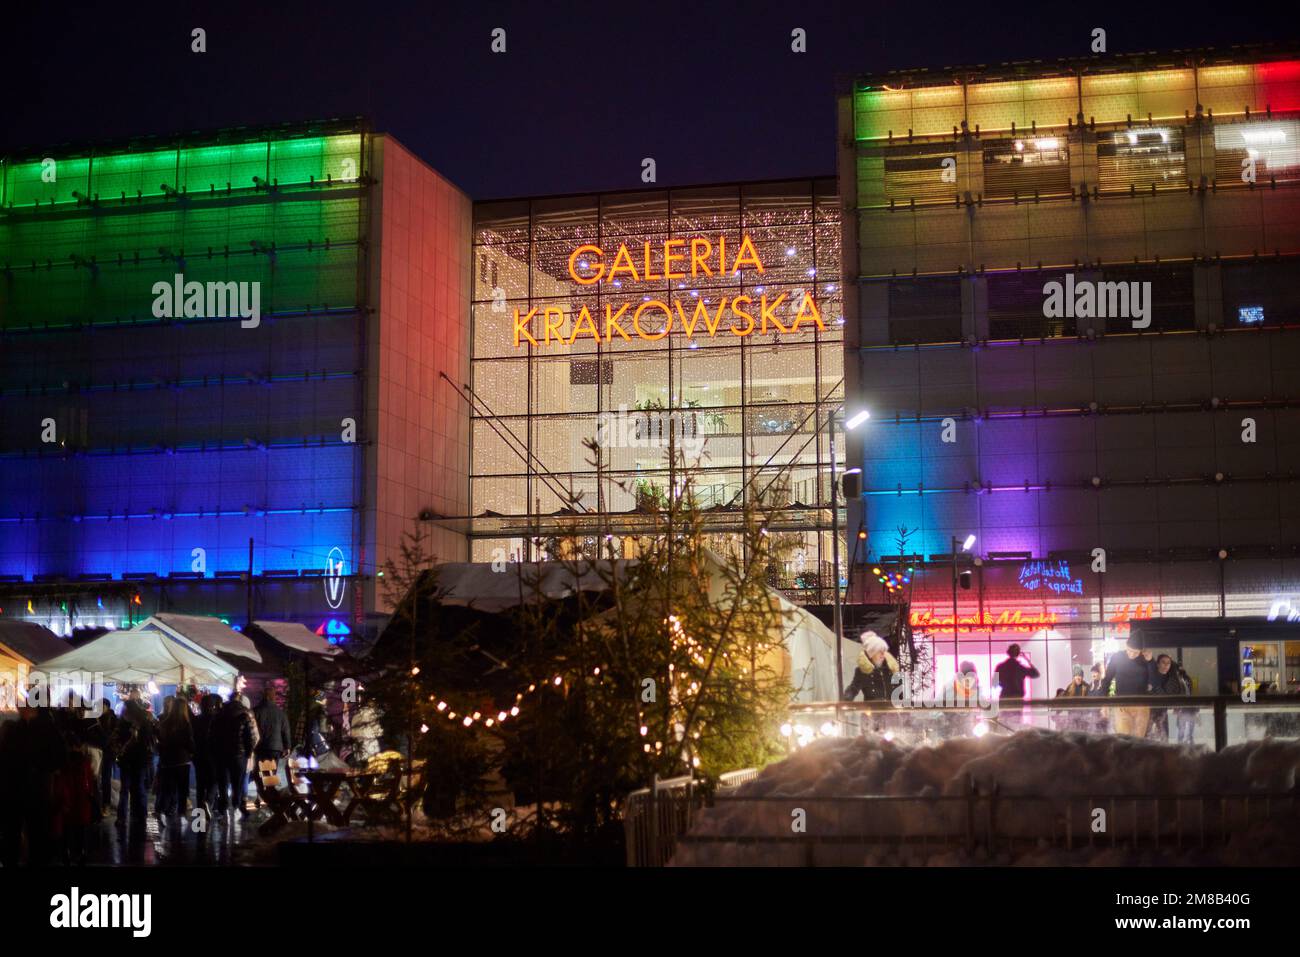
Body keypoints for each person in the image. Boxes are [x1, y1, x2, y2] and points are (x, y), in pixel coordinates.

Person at [0, 696, 67, 866]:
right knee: (28, 831)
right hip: (27, 789)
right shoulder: (23, 729)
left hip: (28, 789)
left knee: (25, 831)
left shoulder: (23, 730)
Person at [112, 699, 158, 841]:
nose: (123, 711)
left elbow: (144, 741)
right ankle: (136, 816)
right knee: (135, 788)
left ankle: (131, 816)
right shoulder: (138, 722)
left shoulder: (136, 723)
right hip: (134, 760)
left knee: (132, 788)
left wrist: (122, 747)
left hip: (134, 760)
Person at [214, 692, 257, 816]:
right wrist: (248, 752)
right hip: (239, 755)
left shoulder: (220, 714)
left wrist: (215, 751)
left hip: (222, 753)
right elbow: (251, 737)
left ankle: (223, 806)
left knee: (223, 782)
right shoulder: (245, 714)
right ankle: (236, 804)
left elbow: (212, 735)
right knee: (238, 782)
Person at [1103, 635, 1155, 737]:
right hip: (1122, 704)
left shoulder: (1146, 659)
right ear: (1126, 645)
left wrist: (1150, 661)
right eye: (1129, 650)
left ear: (1141, 651)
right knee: (1123, 739)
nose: (1131, 654)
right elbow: (1107, 680)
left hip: (1141, 706)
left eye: (1135, 652)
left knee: (1139, 740)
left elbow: (1155, 682)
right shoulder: (1117, 657)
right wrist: (1104, 703)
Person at [158, 693, 195, 824]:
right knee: (182, 790)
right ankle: (181, 814)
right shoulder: (185, 724)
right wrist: (192, 752)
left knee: (168, 788)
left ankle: (162, 812)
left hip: (167, 761)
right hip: (182, 760)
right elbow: (189, 742)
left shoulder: (164, 723)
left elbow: (160, 741)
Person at [252, 689, 293, 794]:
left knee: (259, 771)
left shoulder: (255, 711)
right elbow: (285, 731)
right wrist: (287, 746)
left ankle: (263, 791)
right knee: (271, 771)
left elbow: (251, 730)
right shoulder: (280, 713)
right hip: (275, 747)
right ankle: (270, 792)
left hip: (260, 747)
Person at [841, 631, 900, 702]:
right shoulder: (862, 671)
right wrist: (845, 701)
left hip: (891, 708)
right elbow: (853, 689)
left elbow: (901, 690)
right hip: (872, 708)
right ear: (871, 654)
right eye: (879, 651)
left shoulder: (891, 670)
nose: (882, 654)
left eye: (883, 651)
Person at [1150, 654, 1195, 743]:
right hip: (1150, 711)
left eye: (1168, 663)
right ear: (1158, 664)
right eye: (1163, 662)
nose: (1166, 665)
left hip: (1163, 711)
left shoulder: (1173, 679)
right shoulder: (1152, 676)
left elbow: (1167, 697)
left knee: (1165, 737)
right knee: (1150, 737)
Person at [192, 692, 222, 815]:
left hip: (198, 755)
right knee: (214, 780)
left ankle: (200, 810)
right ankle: (208, 802)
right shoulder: (216, 719)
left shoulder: (196, 720)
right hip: (213, 755)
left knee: (200, 784)